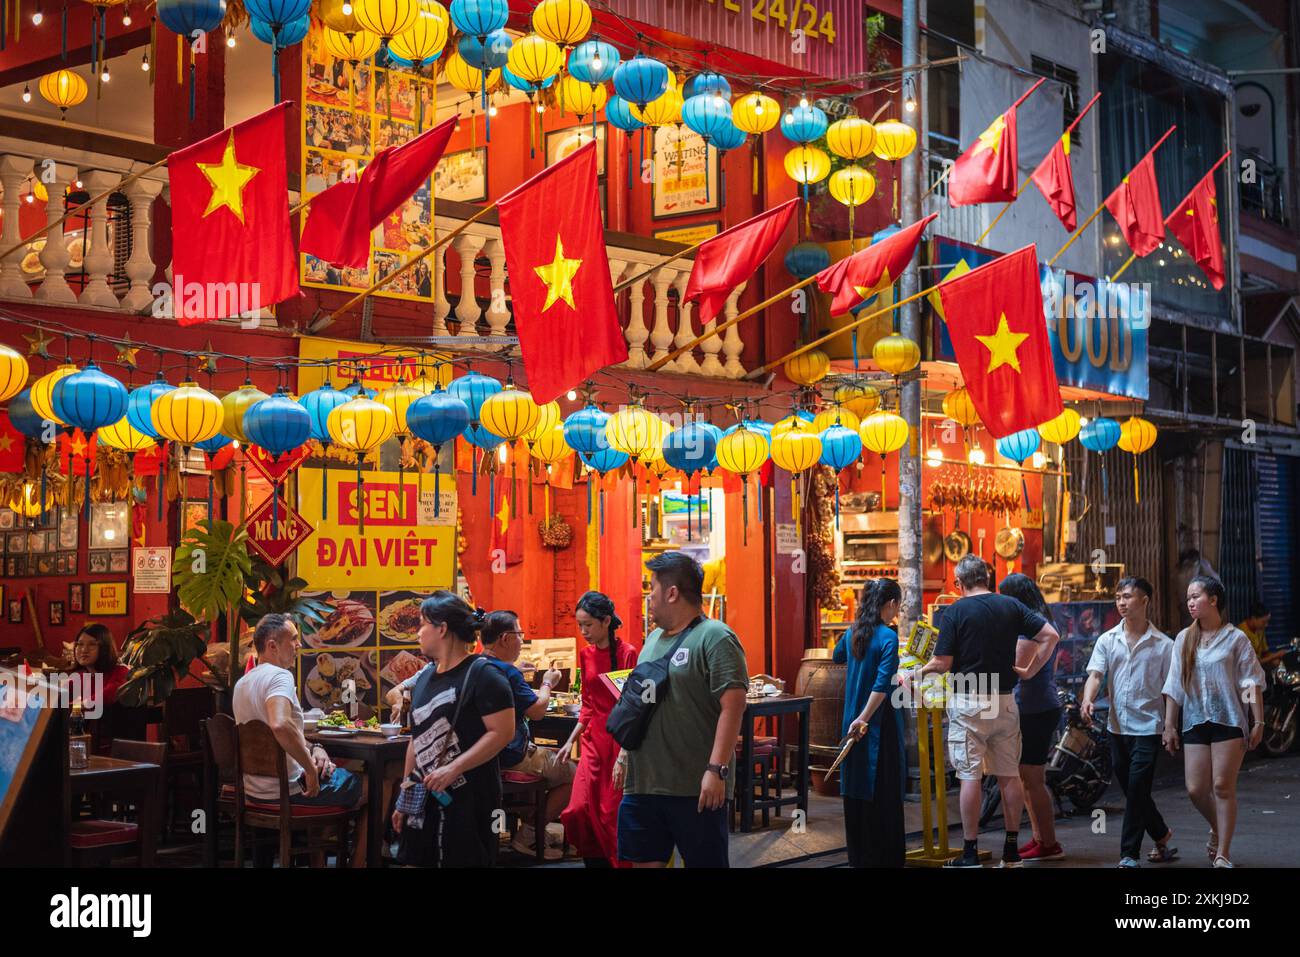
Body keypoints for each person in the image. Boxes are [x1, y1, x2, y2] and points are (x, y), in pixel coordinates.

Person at [902, 554, 1059, 868]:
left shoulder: (956, 611)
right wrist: (1028, 670)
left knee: (970, 776)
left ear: (959, 583)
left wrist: (912, 676)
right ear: (986, 577)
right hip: (1004, 700)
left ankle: (970, 852)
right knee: (1009, 776)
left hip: (969, 702)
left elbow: (942, 664)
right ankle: (1011, 851)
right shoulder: (1011, 606)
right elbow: (1050, 636)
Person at [615, 551, 748, 868]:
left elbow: (733, 707)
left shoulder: (716, 637)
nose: (649, 597)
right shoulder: (653, 639)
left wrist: (716, 770)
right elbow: (641, 702)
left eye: (653, 589)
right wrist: (623, 754)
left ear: (672, 593)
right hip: (643, 783)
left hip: (694, 787)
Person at [232, 614, 367, 865]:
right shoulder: (279, 676)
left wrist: (314, 748)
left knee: (332, 774)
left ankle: (318, 859)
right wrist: (310, 770)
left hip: (254, 793)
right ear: (272, 646)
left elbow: (277, 730)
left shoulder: (243, 683)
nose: (299, 645)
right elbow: (280, 724)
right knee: (370, 785)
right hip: (291, 792)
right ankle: (359, 862)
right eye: (294, 640)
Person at [391, 593, 514, 868]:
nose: (418, 633)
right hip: (424, 796)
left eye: (422, 625)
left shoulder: (485, 674)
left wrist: (454, 768)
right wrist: (405, 793)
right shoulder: (424, 677)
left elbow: (502, 732)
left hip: (471, 799)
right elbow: (416, 737)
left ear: (442, 629)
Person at [1162, 576, 1266, 868]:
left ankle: (1223, 852)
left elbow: (1250, 681)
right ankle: (1218, 826)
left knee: (1222, 787)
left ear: (1214, 600)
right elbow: (1174, 684)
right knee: (1195, 788)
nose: (1190, 602)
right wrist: (1170, 724)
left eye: (1196, 596)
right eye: (1188, 598)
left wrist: (1258, 721)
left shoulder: (1236, 638)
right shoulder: (1184, 638)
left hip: (1229, 720)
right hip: (1195, 720)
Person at [1081, 577, 1175, 868]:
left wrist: (1170, 726)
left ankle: (1128, 854)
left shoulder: (1164, 645)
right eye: (1119, 597)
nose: (1121, 602)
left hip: (1148, 727)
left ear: (1144, 601)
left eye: (1128, 597)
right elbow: (1096, 674)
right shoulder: (1108, 640)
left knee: (1136, 789)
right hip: (1116, 727)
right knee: (1133, 788)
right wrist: (1088, 698)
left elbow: (1172, 689)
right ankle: (1161, 833)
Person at [478, 609, 572, 860]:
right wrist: (548, 682)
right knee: (574, 773)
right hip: (512, 756)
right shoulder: (508, 673)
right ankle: (529, 835)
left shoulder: (477, 665)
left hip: (483, 757)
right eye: (520, 635)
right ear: (505, 638)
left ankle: (529, 829)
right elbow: (538, 711)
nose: (522, 641)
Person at [560, 591, 641, 867]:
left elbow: (634, 708)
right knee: (577, 809)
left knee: (610, 814)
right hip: (593, 742)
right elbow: (587, 704)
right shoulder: (585, 654)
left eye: (588, 625)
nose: (583, 632)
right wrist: (570, 739)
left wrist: (625, 753)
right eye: (580, 625)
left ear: (606, 621)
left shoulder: (628, 653)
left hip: (618, 742)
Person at [833, 578, 906, 868]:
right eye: (897, 606)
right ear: (890, 604)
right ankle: (884, 860)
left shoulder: (852, 632)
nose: (897, 611)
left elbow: (838, 656)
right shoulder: (888, 637)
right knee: (884, 789)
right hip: (877, 724)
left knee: (855, 788)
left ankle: (860, 858)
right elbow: (882, 684)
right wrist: (865, 718)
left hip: (851, 721)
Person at [998, 573, 1065, 862]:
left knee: (1033, 778)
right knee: (1027, 778)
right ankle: (1041, 838)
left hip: (1036, 708)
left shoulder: (1031, 626)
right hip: (1036, 706)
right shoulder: (1036, 619)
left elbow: (1016, 662)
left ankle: (1049, 842)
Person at [68, 623, 129, 716]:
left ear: (104, 648)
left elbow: (112, 693)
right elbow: (58, 696)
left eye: (92, 644)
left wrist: (81, 705)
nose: (84, 650)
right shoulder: (79, 678)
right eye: (79, 644)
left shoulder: (120, 671)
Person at [1239, 602, 1283, 667]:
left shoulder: (1259, 629)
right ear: (1253, 618)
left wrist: (1278, 656)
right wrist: (1275, 655)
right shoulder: (1241, 633)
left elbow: (1265, 652)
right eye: (1263, 622)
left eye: (1267, 622)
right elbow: (1252, 662)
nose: (1266, 625)